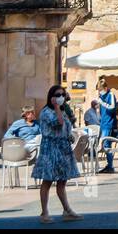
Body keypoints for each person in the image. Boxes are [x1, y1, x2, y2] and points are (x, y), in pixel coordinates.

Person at [33, 85, 83, 223]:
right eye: (57, 94)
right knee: (48, 181)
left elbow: (66, 126)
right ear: (51, 97)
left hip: (63, 148)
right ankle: (44, 213)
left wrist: (69, 136)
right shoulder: (47, 112)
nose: (61, 97)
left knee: (62, 180)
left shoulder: (62, 110)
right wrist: (56, 107)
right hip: (51, 149)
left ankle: (67, 210)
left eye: (62, 94)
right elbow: (59, 123)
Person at [96, 79, 118, 173]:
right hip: (103, 123)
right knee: (105, 144)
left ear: (105, 88)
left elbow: (112, 107)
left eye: (100, 89)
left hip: (108, 124)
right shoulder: (101, 96)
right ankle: (109, 165)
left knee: (106, 144)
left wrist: (102, 103)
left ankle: (110, 166)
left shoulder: (110, 95)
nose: (99, 92)